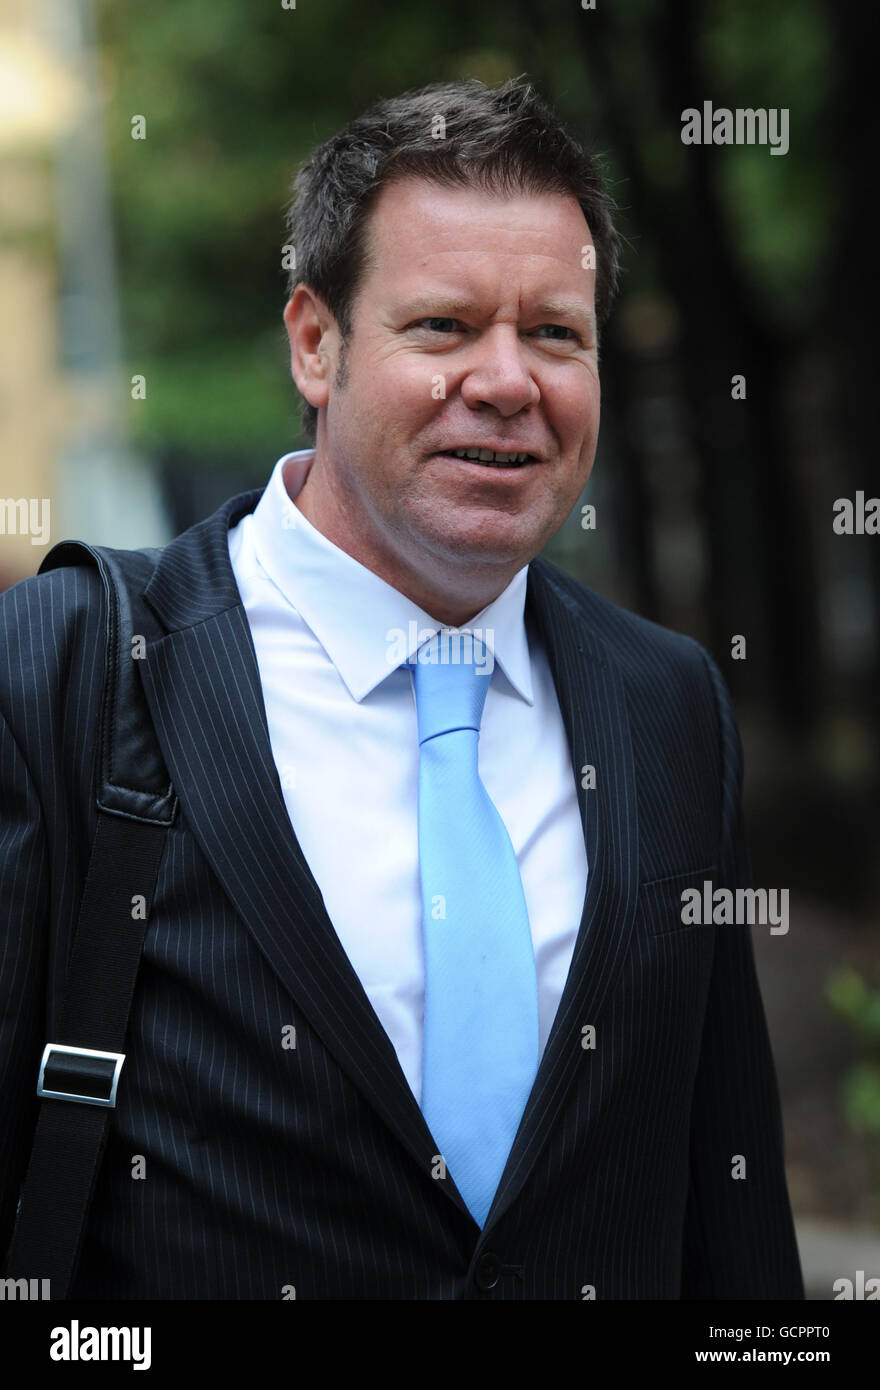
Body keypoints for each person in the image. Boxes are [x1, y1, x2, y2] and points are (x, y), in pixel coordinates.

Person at [0, 76, 804, 1299]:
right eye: (442, 327)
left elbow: (725, 1195)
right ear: (315, 343)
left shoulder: (667, 703)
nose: (506, 381)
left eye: (554, 333)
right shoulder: (64, 665)